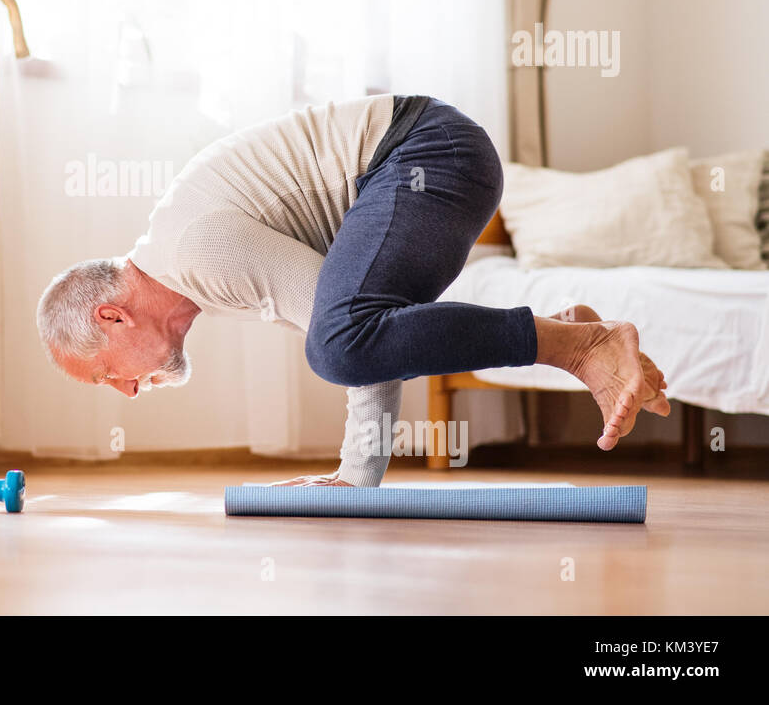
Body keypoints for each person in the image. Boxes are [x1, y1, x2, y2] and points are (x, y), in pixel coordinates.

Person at [36, 94, 669, 486]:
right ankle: (568, 327)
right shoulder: (193, 270)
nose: (125, 391)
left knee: (336, 343)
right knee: (346, 337)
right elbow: (368, 336)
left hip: (426, 153)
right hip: (428, 159)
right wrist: (356, 475)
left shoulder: (192, 251)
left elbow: (344, 341)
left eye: (104, 375)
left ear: (112, 316)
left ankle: (581, 343)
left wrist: (354, 471)